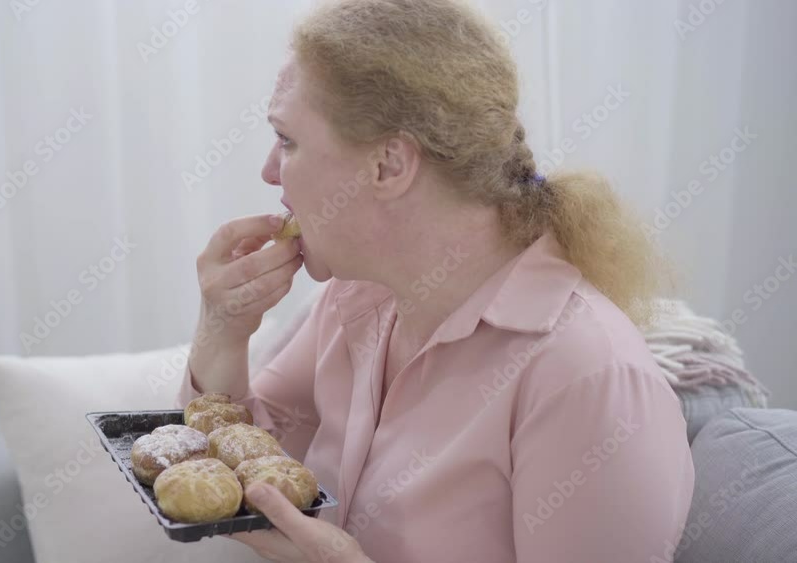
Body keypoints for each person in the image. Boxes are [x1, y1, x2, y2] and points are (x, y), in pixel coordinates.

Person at [177, 0, 694, 561]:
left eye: (288, 139)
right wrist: (222, 327)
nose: (269, 172)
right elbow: (230, 460)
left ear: (390, 165)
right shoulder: (359, 296)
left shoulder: (588, 376)